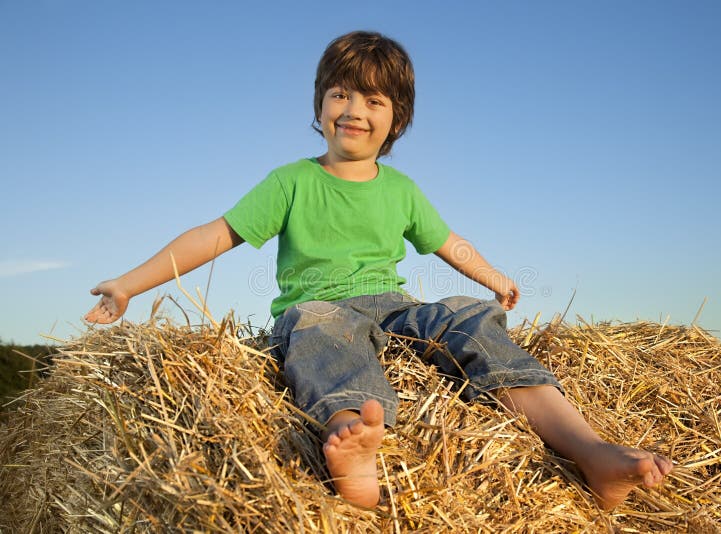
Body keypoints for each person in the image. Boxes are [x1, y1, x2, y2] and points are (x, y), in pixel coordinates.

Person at [85, 30, 672, 510]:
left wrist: (490, 277)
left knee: (470, 320)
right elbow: (214, 235)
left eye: (373, 101)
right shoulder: (291, 181)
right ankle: (354, 441)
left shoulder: (401, 190)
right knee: (321, 336)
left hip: (392, 307)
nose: (354, 111)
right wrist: (129, 285)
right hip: (318, 307)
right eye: (340, 94)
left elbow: (448, 242)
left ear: (398, 119)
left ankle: (590, 450)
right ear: (319, 104)